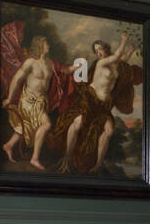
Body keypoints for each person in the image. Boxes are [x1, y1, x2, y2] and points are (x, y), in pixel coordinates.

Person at [50, 34, 142, 174]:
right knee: (78, 123)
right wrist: (123, 40)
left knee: (109, 131)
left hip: (103, 105)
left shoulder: (115, 65)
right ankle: (66, 159)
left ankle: (98, 164)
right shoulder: (100, 63)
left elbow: (122, 60)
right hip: (90, 99)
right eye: (96, 50)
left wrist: (130, 50)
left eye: (100, 49)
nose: (98, 52)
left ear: (106, 49)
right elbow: (117, 56)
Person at [2, 34, 55, 168]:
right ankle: (34, 158)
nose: (48, 45)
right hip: (28, 100)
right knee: (46, 124)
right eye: (46, 43)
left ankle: (8, 145)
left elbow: (64, 71)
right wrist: (9, 98)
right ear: (40, 45)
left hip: (41, 101)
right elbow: (16, 79)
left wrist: (76, 67)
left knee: (26, 127)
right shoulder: (30, 62)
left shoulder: (49, 63)